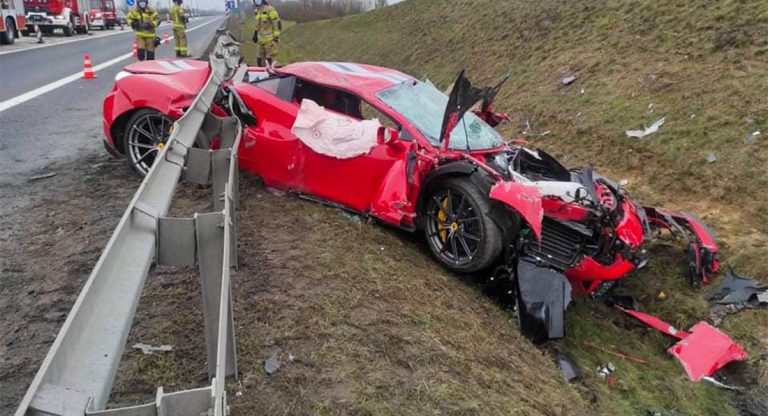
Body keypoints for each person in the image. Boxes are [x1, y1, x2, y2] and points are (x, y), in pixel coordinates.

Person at [251, 0, 281, 68]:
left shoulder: (270, 10)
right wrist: (255, 33)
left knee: (270, 61)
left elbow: (277, 24)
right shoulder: (257, 11)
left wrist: (275, 38)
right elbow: (258, 24)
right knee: (259, 60)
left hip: (270, 42)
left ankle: (273, 75)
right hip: (260, 41)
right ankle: (262, 75)